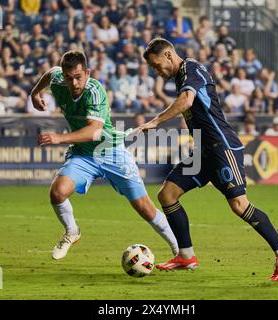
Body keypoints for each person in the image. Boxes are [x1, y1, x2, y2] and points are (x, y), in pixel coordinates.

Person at [138, 38, 278, 281]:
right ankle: (186, 256)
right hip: (202, 151)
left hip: (222, 147)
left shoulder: (192, 69)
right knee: (167, 195)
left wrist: (156, 121)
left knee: (239, 205)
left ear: (169, 55)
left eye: (157, 65)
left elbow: (187, 101)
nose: (157, 71)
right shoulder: (181, 76)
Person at [30, 50, 178, 260]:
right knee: (57, 192)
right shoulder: (58, 80)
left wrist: (59, 138)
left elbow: (94, 131)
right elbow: (50, 73)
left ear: (87, 73)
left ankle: (179, 249)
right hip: (83, 156)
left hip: (110, 151)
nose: (74, 83)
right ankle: (72, 232)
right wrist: (35, 93)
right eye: (69, 78)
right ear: (64, 75)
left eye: (78, 77)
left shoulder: (94, 90)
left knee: (145, 208)